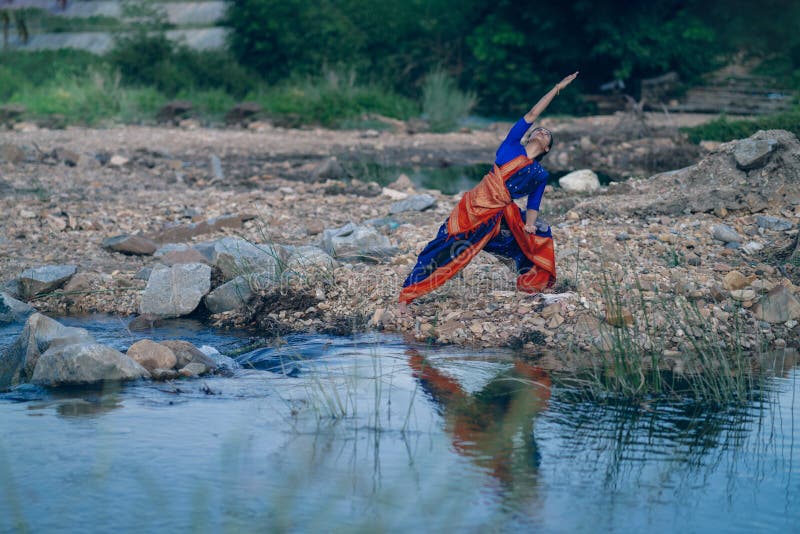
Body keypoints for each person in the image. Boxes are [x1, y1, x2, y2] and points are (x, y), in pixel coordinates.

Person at [398, 72, 579, 312]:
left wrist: (531, 225)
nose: (541, 131)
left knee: (538, 234)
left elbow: (534, 203)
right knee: (442, 247)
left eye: (546, 134)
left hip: (496, 218)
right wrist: (557, 87)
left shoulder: (539, 174)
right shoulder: (511, 146)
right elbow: (533, 114)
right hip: (472, 208)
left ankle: (534, 284)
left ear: (546, 147)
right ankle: (407, 295)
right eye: (539, 130)